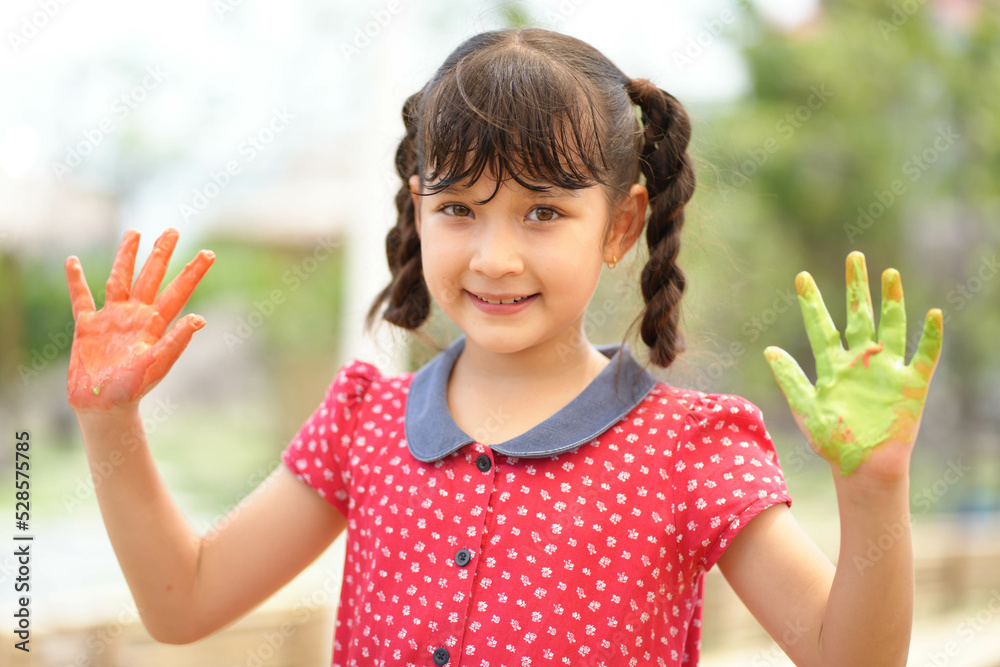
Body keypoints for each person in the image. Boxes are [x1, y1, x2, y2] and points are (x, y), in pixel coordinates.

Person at [64, 28, 943, 667]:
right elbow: (181, 603)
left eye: (543, 212)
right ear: (417, 206)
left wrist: (874, 492)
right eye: (459, 209)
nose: (495, 256)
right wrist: (110, 421)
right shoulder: (363, 423)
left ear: (621, 223)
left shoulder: (687, 450)